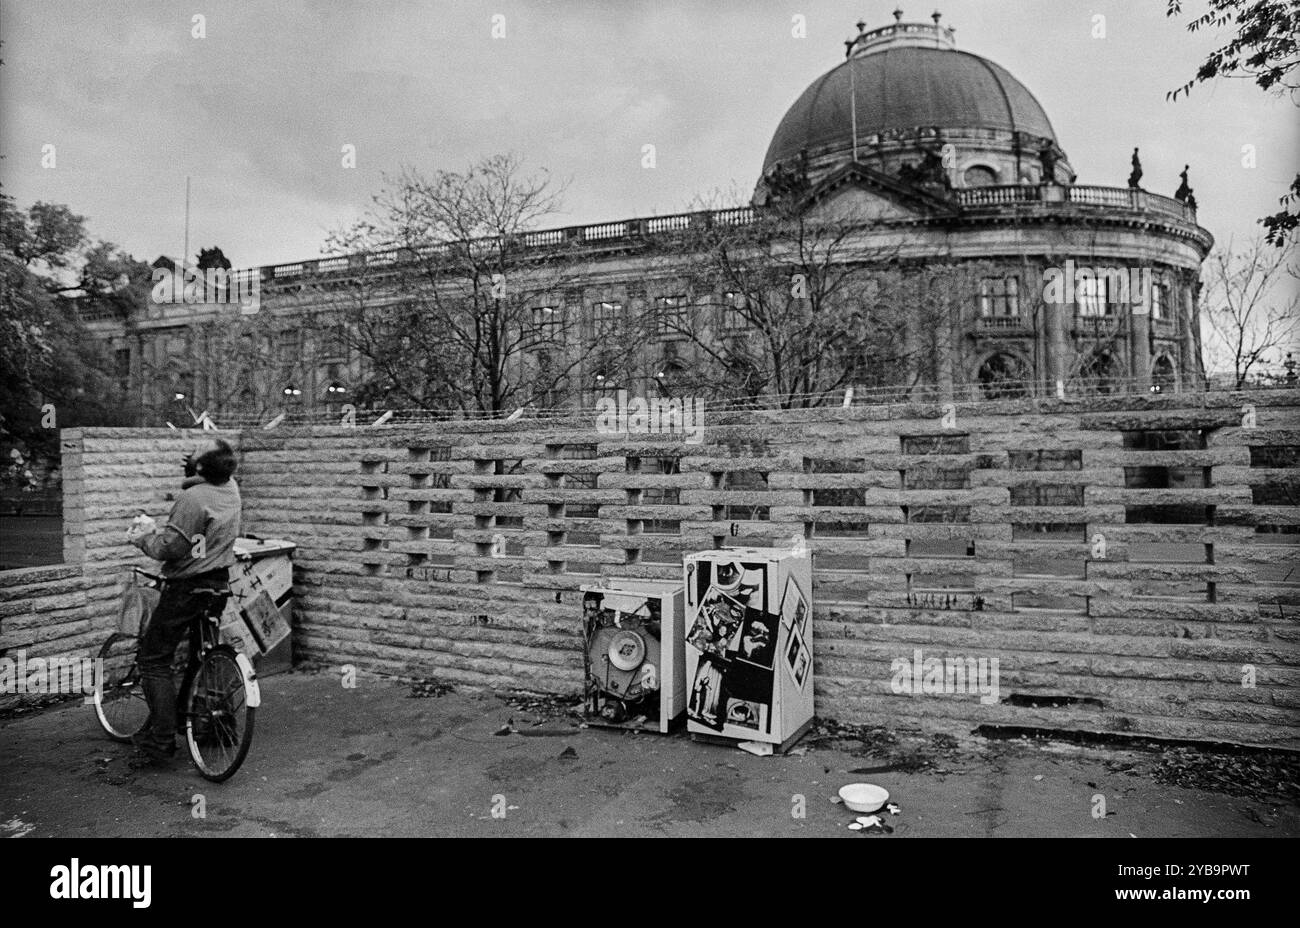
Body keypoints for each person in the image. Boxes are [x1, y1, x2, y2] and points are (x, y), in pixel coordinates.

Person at [125, 437, 242, 768]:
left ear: (200, 467)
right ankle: (193, 721)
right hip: (218, 584)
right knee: (198, 658)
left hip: (187, 588)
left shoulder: (193, 498)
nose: (188, 457)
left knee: (154, 660)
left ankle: (160, 742)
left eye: (194, 456)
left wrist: (143, 537)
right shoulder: (230, 489)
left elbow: (170, 548)